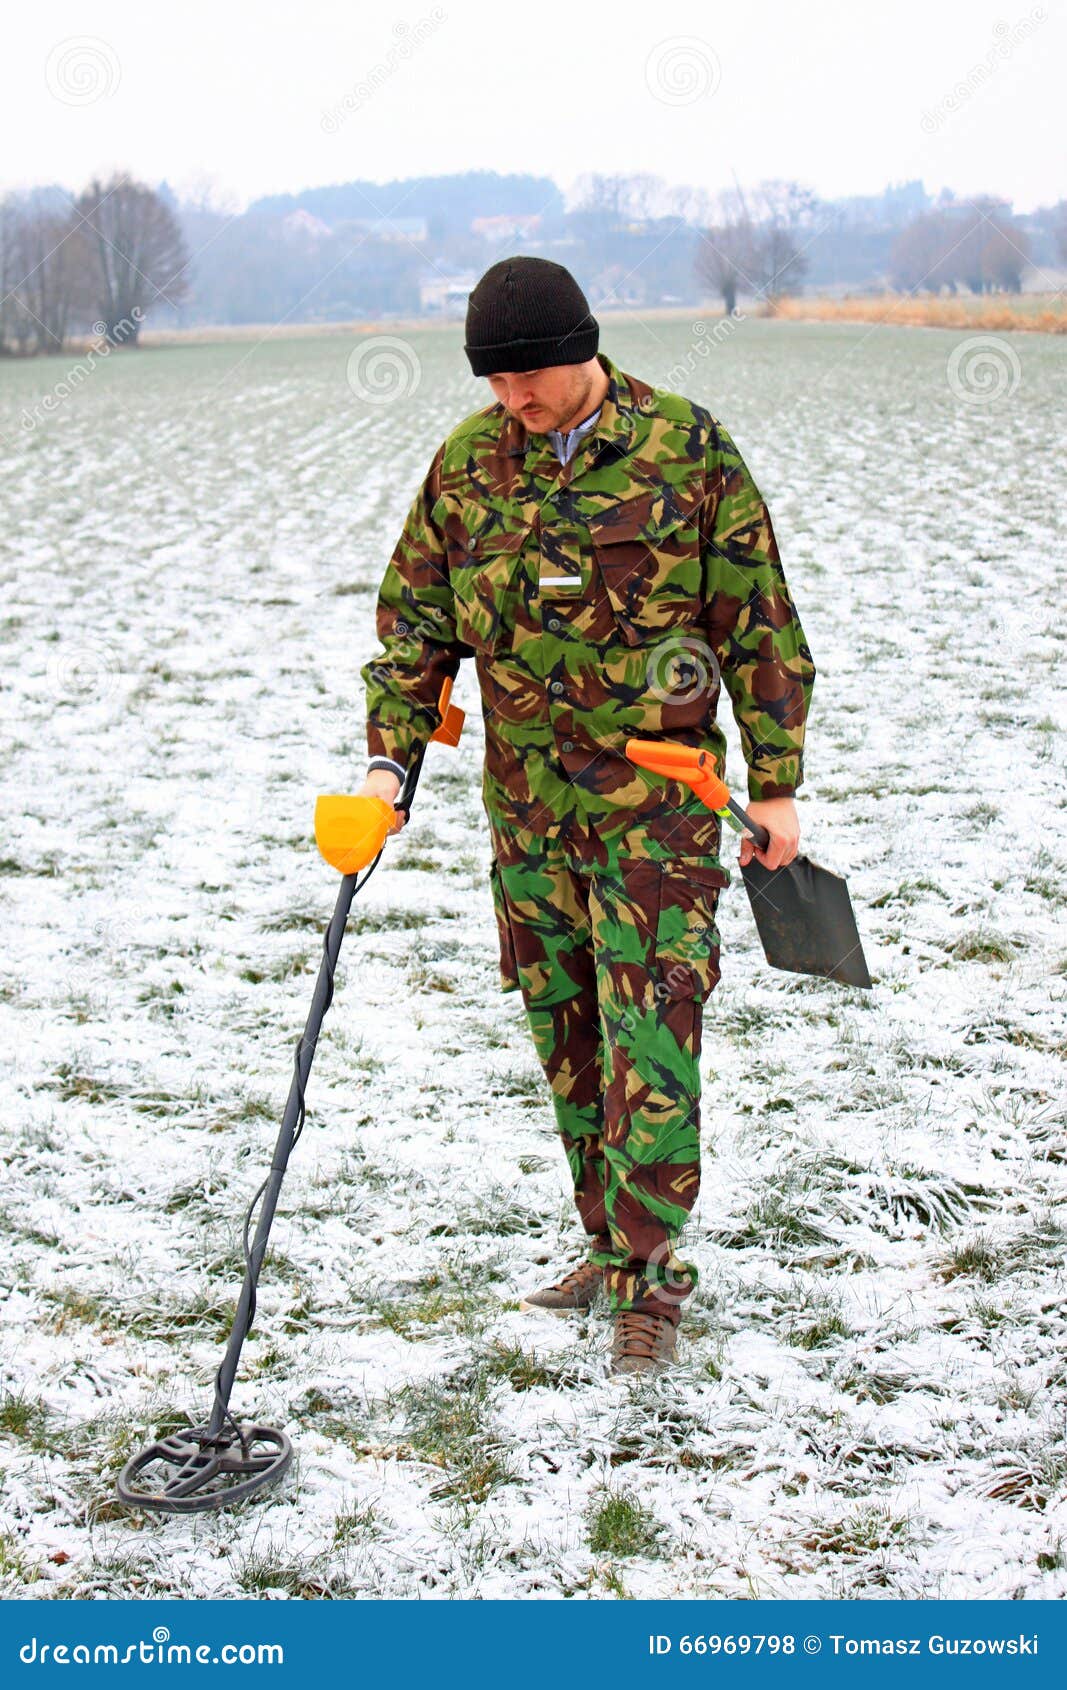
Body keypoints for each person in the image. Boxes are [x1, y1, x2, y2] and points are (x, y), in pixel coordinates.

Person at [356, 256, 815, 1376]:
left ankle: (652, 1290)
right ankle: (607, 1250)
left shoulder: (683, 450)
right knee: (567, 1041)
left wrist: (776, 781)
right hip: (525, 818)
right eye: (493, 382)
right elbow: (416, 623)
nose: (510, 401)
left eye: (527, 379)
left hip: (655, 814)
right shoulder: (467, 467)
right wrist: (387, 766)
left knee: (649, 1039)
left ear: (581, 352)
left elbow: (756, 621)